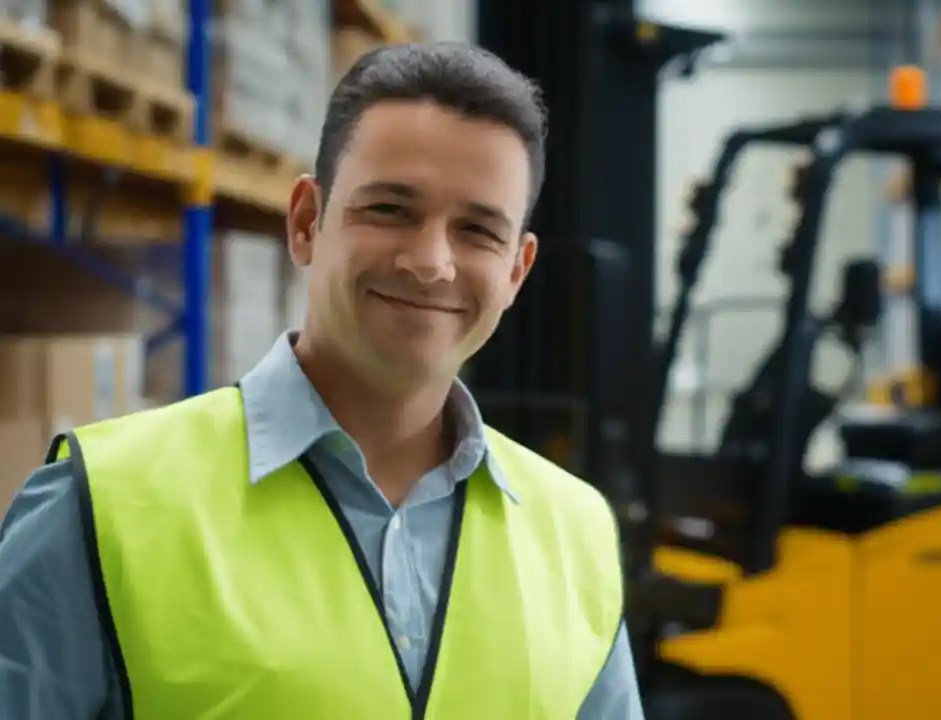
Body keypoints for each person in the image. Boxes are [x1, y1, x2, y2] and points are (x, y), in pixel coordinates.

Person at [0, 43, 643, 719]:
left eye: (477, 230)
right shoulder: (100, 506)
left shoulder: (578, 537)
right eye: (391, 209)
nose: (430, 262)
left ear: (518, 269)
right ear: (307, 221)